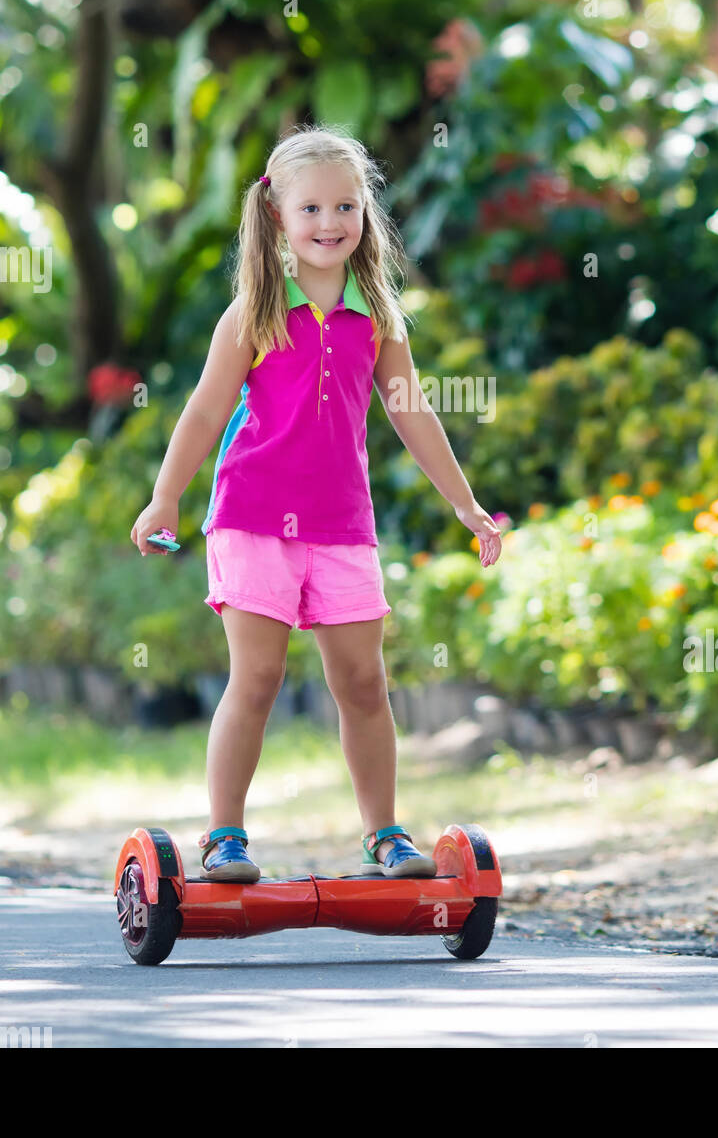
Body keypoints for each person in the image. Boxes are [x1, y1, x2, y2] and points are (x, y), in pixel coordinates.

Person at [130, 126, 502, 884]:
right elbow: (204, 412)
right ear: (277, 218)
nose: (330, 223)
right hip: (252, 517)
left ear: (365, 213)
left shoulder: (379, 316)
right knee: (257, 678)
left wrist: (466, 506)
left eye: (346, 206)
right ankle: (225, 836)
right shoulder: (252, 313)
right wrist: (165, 497)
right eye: (312, 209)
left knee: (364, 684)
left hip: (341, 526)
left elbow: (411, 412)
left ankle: (385, 836)